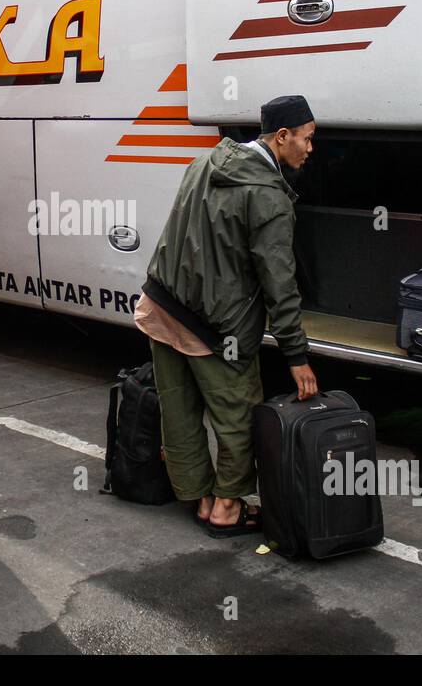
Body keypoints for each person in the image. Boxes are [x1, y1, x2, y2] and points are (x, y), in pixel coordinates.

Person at [133, 95, 318, 537]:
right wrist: (297, 354)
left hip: (159, 306)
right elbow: (279, 283)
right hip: (215, 329)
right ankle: (226, 510)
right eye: (307, 140)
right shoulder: (270, 197)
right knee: (237, 414)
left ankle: (199, 499)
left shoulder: (203, 163)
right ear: (282, 137)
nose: (310, 150)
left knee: (178, 411)